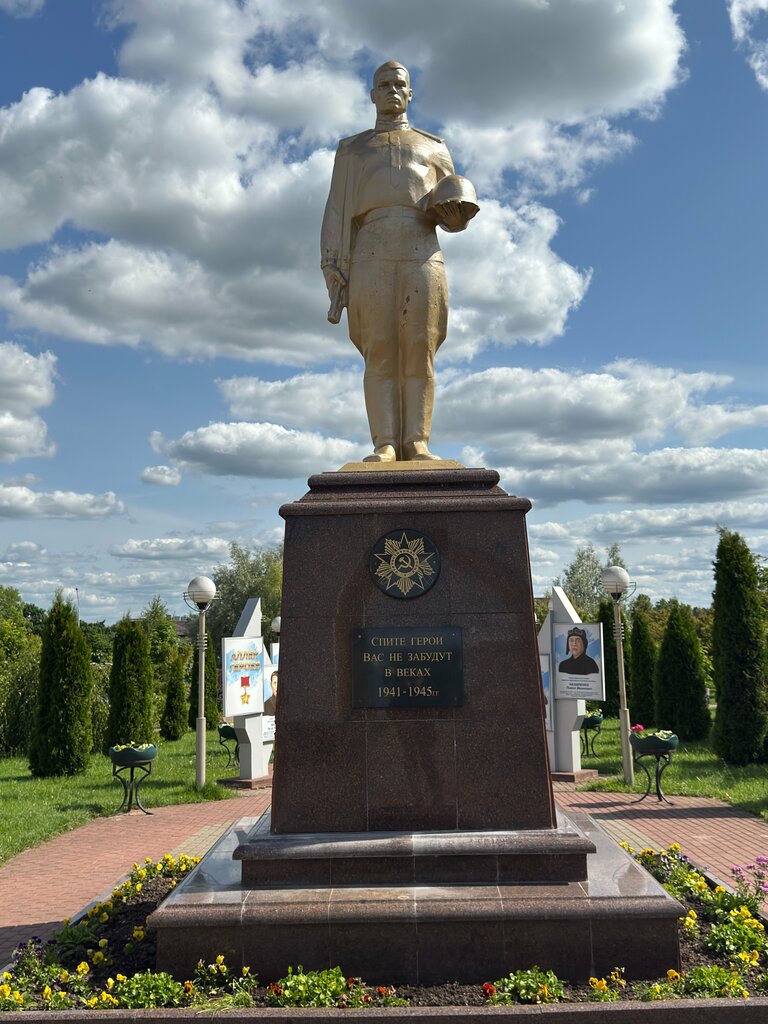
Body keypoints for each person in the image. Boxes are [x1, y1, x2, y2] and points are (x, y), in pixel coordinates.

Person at [321, 61, 478, 462]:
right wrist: (333, 267)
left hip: (420, 249)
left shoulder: (434, 146)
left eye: (400, 85)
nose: (392, 90)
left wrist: (457, 214)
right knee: (380, 349)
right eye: (384, 85)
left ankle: (417, 441)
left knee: (418, 347)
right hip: (370, 250)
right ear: (373, 95)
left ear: (409, 94)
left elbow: (451, 209)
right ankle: (386, 442)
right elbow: (337, 211)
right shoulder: (352, 149)